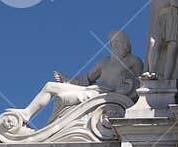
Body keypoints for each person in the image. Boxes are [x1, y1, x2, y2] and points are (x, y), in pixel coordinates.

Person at [15, 30, 143, 125]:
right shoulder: (104, 62)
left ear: (125, 44)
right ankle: (26, 113)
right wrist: (66, 80)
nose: (114, 45)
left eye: (118, 42)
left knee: (62, 98)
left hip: (106, 95)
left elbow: (140, 85)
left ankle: (50, 130)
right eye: (112, 43)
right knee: (50, 86)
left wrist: (125, 88)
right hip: (94, 90)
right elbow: (86, 79)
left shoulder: (133, 61)